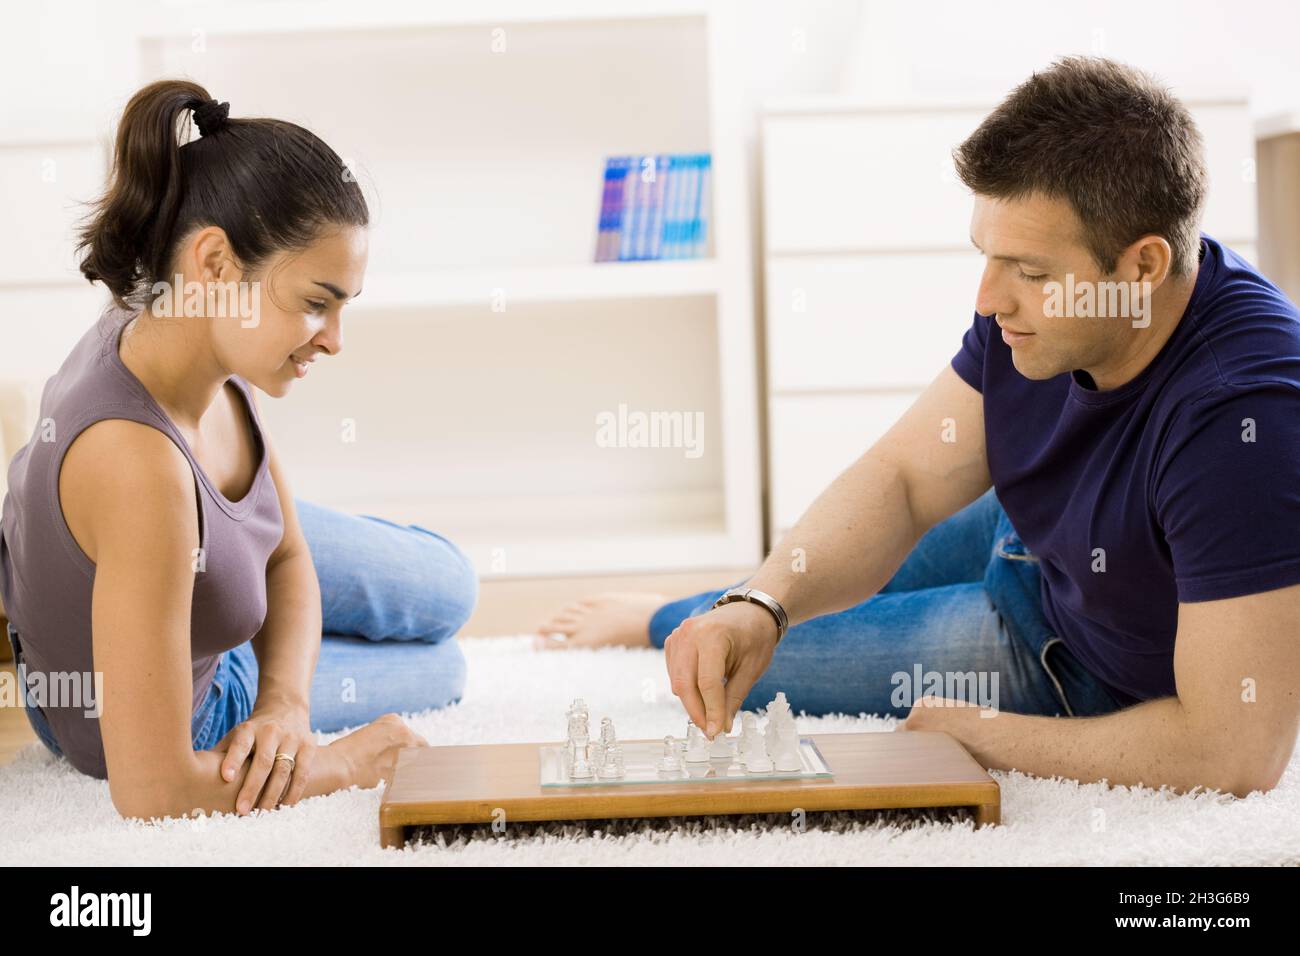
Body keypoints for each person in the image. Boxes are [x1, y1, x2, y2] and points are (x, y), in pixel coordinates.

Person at [534, 57, 1300, 798]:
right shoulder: (1035, 317)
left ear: (1141, 268)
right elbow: (902, 480)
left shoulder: (1245, 422)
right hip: (1031, 524)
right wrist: (762, 602)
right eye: (986, 256)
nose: (990, 298)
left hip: (1069, 652)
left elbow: (1232, 751)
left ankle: (656, 616)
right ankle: (703, 604)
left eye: (1030, 273)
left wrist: (984, 735)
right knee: (758, 617)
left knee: (767, 666)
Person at [0, 80, 478, 820]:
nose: (334, 339)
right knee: (443, 665)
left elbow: (285, 554)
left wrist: (287, 705)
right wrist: (348, 761)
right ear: (216, 262)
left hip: (182, 574)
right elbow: (154, 792)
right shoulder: (138, 466)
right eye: (316, 303)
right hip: (163, 700)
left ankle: (229, 576)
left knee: (449, 587)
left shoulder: (179, 323)